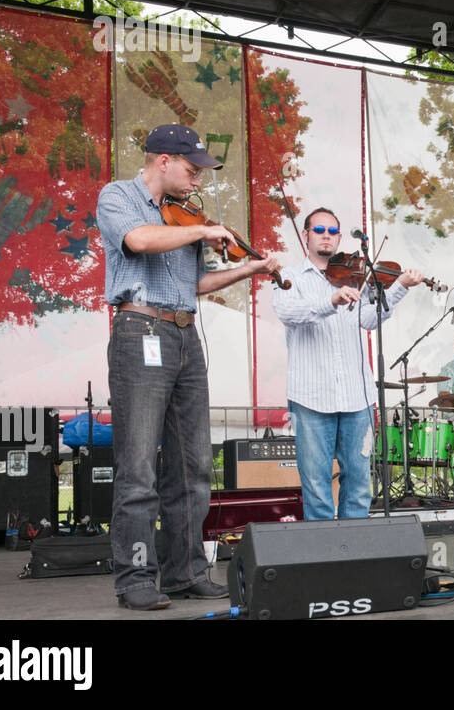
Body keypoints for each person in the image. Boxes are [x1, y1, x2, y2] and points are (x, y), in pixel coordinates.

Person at [97, 124, 281, 611]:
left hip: (183, 334)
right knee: (138, 467)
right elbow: (137, 241)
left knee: (194, 465)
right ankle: (135, 576)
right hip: (141, 331)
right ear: (162, 161)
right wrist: (201, 229)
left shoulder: (186, 217)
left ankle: (186, 571)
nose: (198, 178)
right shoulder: (118, 196)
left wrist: (250, 267)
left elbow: (195, 284)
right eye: (191, 168)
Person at [272, 208, 423, 521]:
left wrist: (400, 287)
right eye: (319, 230)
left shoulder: (358, 276)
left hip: (357, 394)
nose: (326, 235)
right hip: (311, 395)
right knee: (316, 482)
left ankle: (357, 551)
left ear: (339, 238)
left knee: (359, 480)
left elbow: (369, 319)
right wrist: (331, 301)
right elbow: (289, 313)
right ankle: (325, 556)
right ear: (306, 235)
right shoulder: (290, 277)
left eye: (332, 231)